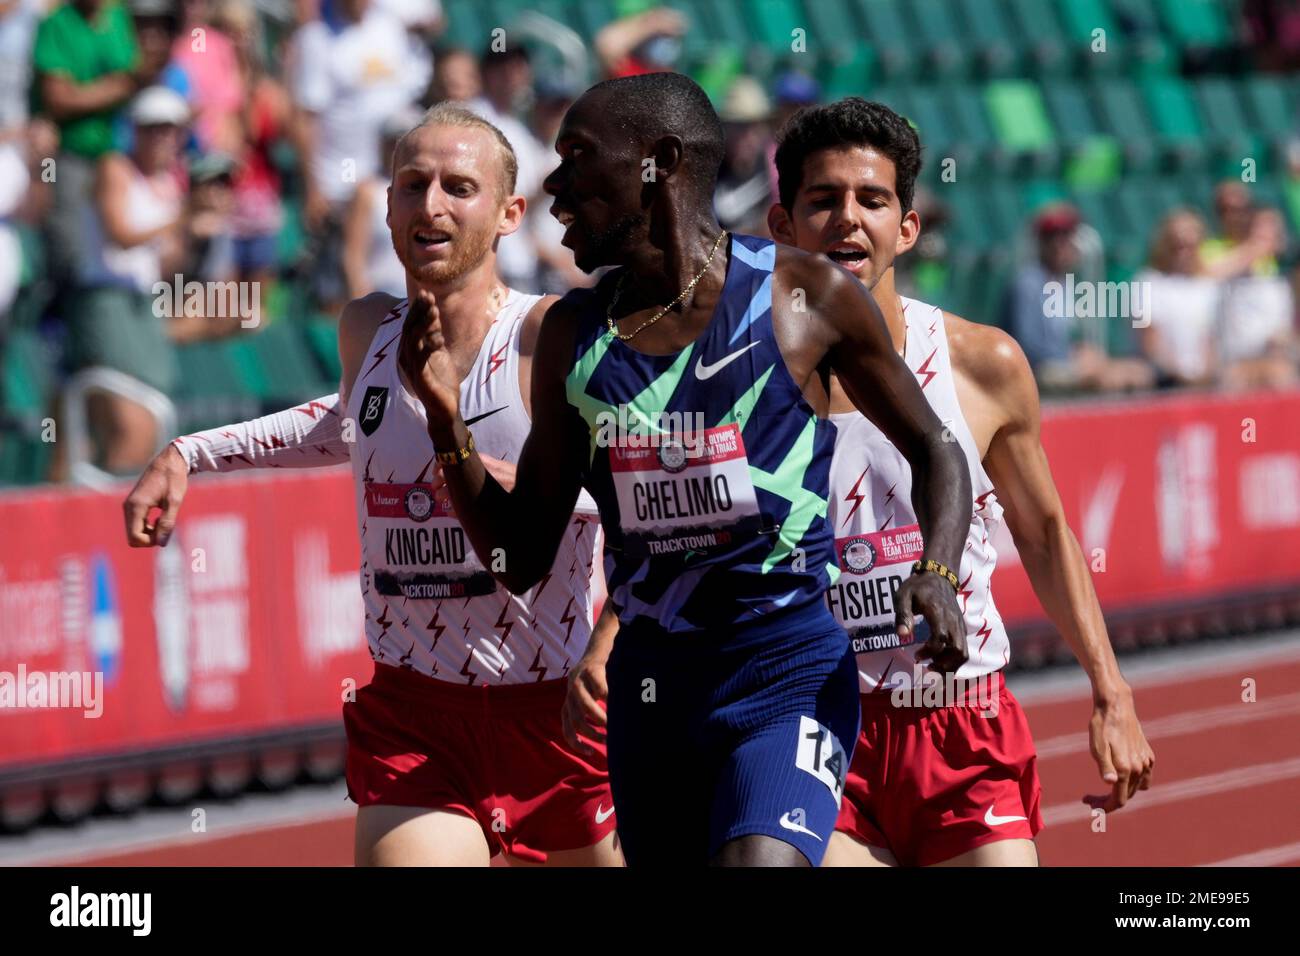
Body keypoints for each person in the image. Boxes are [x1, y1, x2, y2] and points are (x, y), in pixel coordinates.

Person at [399, 72, 972, 867]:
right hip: (654, 692)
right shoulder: (572, 334)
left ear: (658, 162)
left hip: (788, 670)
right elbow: (519, 555)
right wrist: (444, 422)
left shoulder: (802, 297)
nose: (556, 187)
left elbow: (937, 449)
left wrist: (937, 571)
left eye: (577, 157)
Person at [123, 104, 622, 868]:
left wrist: (600, 624)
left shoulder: (550, 336)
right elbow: (349, 421)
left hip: (552, 715)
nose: (432, 206)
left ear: (510, 213)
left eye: (460, 187)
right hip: (415, 718)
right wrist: (192, 452)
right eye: (412, 185)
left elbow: (643, 498)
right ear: (386, 207)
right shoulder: (367, 327)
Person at [761, 97, 1153, 866]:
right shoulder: (743, 378)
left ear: (907, 227)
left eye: (872, 200)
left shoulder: (983, 363)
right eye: (823, 201)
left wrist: (1112, 690)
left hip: (960, 719)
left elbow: (1043, 533)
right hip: (814, 722)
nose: (848, 220)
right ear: (783, 225)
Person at [1134, 209, 1221, 388]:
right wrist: (1180, 376)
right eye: (1176, 245)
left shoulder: (1208, 286)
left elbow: (1210, 341)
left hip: (1204, 380)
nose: (1183, 253)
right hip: (1162, 379)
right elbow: (1150, 342)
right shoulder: (1147, 282)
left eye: (1190, 245)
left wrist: (1204, 375)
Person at [342, 109, 414, 300]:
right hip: (381, 295)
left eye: (403, 142)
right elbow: (353, 255)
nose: (396, 148)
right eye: (392, 142)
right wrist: (361, 297)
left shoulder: (428, 190)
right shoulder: (367, 191)